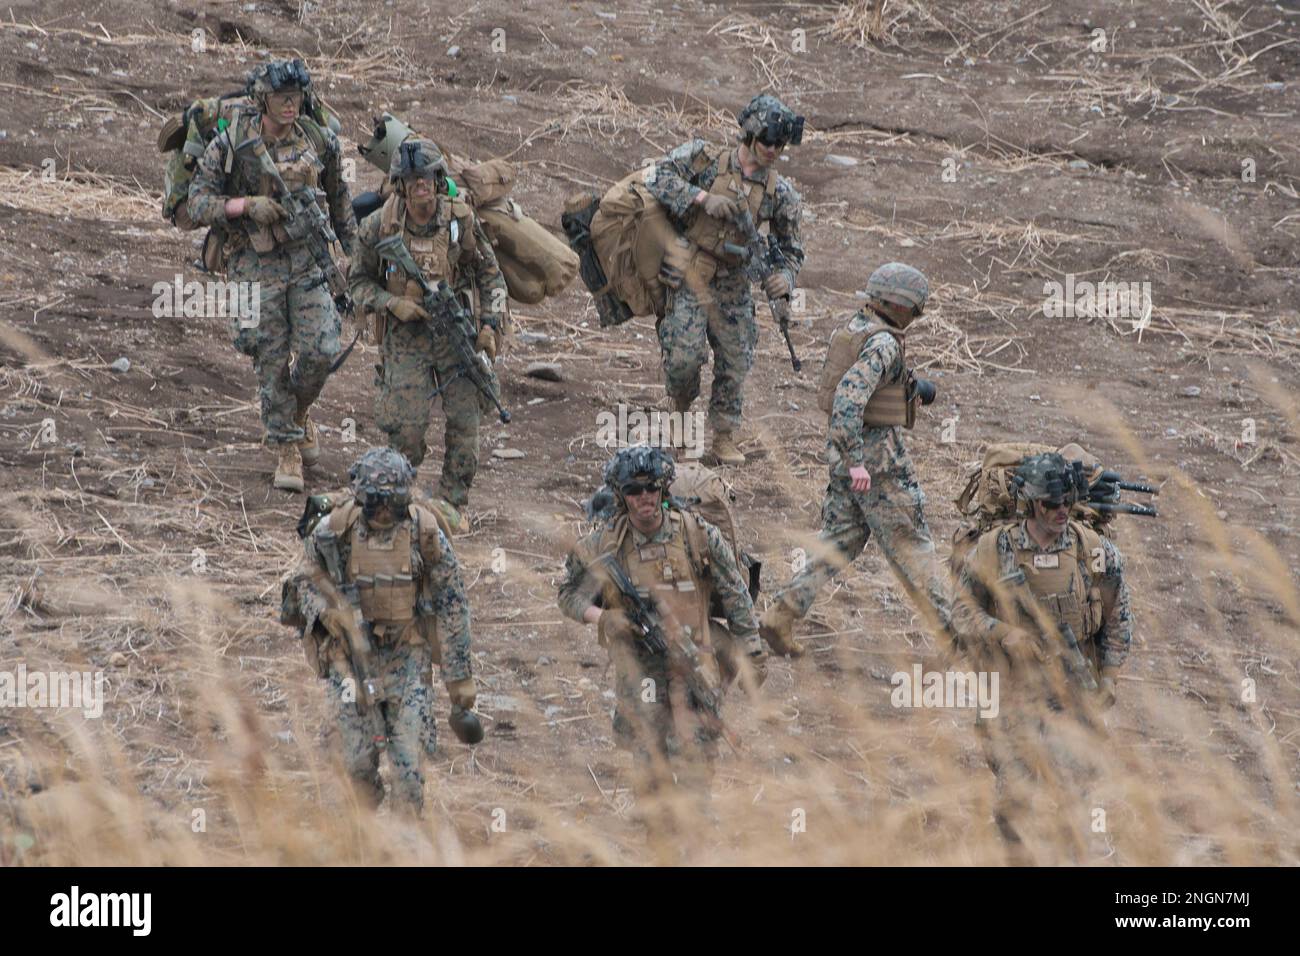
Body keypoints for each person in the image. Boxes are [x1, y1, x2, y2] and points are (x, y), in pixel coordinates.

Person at [557, 445, 765, 818]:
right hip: (640, 675)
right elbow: (568, 594)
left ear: (664, 489)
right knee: (651, 779)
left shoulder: (695, 534)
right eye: (634, 491)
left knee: (694, 774)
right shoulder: (605, 544)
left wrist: (751, 651)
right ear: (621, 496)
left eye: (652, 488)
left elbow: (734, 592)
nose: (645, 498)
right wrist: (601, 618)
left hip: (694, 664)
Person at [761, 263, 951, 656]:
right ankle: (959, 644)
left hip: (851, 461)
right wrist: (859, 462)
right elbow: (848, 398)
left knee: (838, 541)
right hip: (878, 466)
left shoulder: (856, 328)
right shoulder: (883, 345)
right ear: (902, 306)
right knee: (914, 550)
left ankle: (780, 616)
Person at [951, 451, 1133, 862]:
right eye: (1051, 505)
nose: (1060, 512)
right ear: (1032, 503)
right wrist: (1004, 633)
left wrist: (1110, 677)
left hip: (1073, 692)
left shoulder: (1093, 550)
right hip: (1014, 693)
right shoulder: (994, 550)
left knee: (1074, 795)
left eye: (1065, 503)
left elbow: (1119, 616)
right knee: (1014, 801)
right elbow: (961, 612)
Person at [187, 58, 355, 492]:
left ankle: (296, 415)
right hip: (253, 263)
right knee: (269, 354)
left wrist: (354, 257)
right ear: (263, 99)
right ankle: (285, 446)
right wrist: (244, 207)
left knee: (321, 348)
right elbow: (197, 203)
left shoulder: (319, 141)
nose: (290, 105)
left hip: (306, 261)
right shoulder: (231, 144)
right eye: (282, 97)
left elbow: (340, 202)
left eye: (296, 97)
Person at [282, 447, 477, 814]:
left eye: (393, 503)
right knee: (355, 763)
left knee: (409, 770)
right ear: (361, 499)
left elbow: (454, 606)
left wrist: (459, 684)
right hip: (350, 659)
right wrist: (328, 615)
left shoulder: (425, 533)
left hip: (408, 657)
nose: (385, 512)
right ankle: (364, 831)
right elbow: (301, 583)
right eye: (376, 504)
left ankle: (405, 842)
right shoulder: (333, 532)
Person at [348, 138, 507, 530]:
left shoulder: (460, 220)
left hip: (455, 333)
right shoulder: (379, 225)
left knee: (466, 422)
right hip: (405, 337)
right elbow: (355, 283)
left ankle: (453, 502)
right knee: (406, 428)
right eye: (413, 179)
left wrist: (489, 326)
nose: (422, 185)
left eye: (429, 178)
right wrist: (391, 303)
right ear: (401, 184)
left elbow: (491, 276)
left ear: (439, 180)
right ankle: (399, 498)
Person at [644, 94, 804, 465]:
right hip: (688, 274)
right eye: (767, 142)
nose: (773, 150)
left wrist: (784, 278)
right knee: (683, 359)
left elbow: (790, 248)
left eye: (780, 145)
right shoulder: (703, 160)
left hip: (734, 284)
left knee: (734, 361)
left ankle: (724, 437)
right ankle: (682, 427)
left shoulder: (780, 193)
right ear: (748, 135)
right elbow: (654, 177)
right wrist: (701, 198)